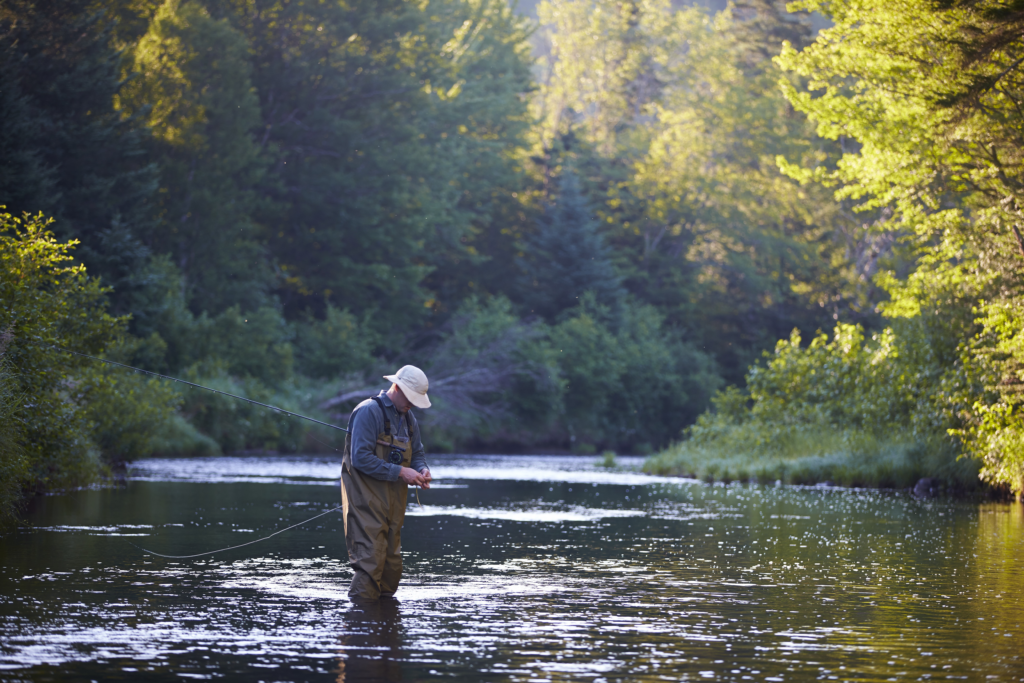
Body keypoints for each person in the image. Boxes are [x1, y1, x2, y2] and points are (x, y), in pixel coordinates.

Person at [341, 365, 432, 601]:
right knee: (370, 564)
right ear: (398, 387)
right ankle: (360, 626)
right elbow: (360, 459)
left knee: (391, 569)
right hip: (365, 504)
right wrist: (402, 473)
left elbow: (418, 453)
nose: (412, 404)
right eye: (411, 398)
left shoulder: (409, 418)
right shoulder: (368, 412)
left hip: (393, 507)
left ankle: (383, 628)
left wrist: (421, 469)